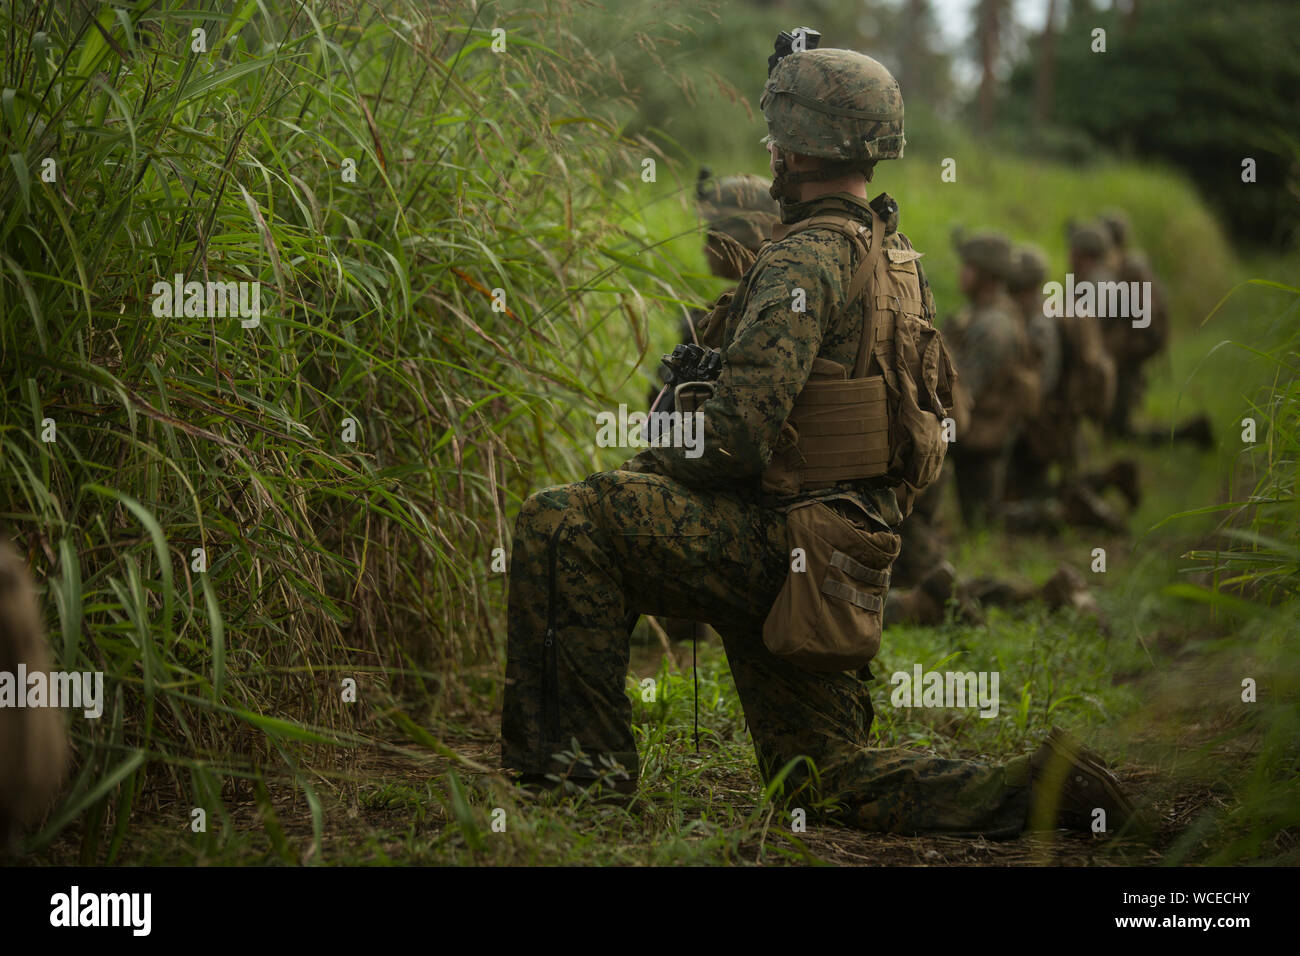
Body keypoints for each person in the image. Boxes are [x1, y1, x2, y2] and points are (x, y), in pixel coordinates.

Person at [500, 43, 1135, 837]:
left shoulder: (804, 255)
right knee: (821, 781)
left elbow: (734, 440)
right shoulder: (898, 259)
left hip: (778, 540)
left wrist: (652, 453)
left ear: (801, 143)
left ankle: (576, 786)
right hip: (842, 554)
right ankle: (1035, 787)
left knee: (566, 521)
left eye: (778, 131)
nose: (769, 148)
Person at [944, 230, 1039, 529]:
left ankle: (1059, 514)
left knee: (986, 523)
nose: (962, 273)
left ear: (985, 275)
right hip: (978, 432)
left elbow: (964, 390)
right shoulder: (982, 313)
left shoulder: (993, 325)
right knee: (982, 521)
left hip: (981, 437)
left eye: (968, 267)